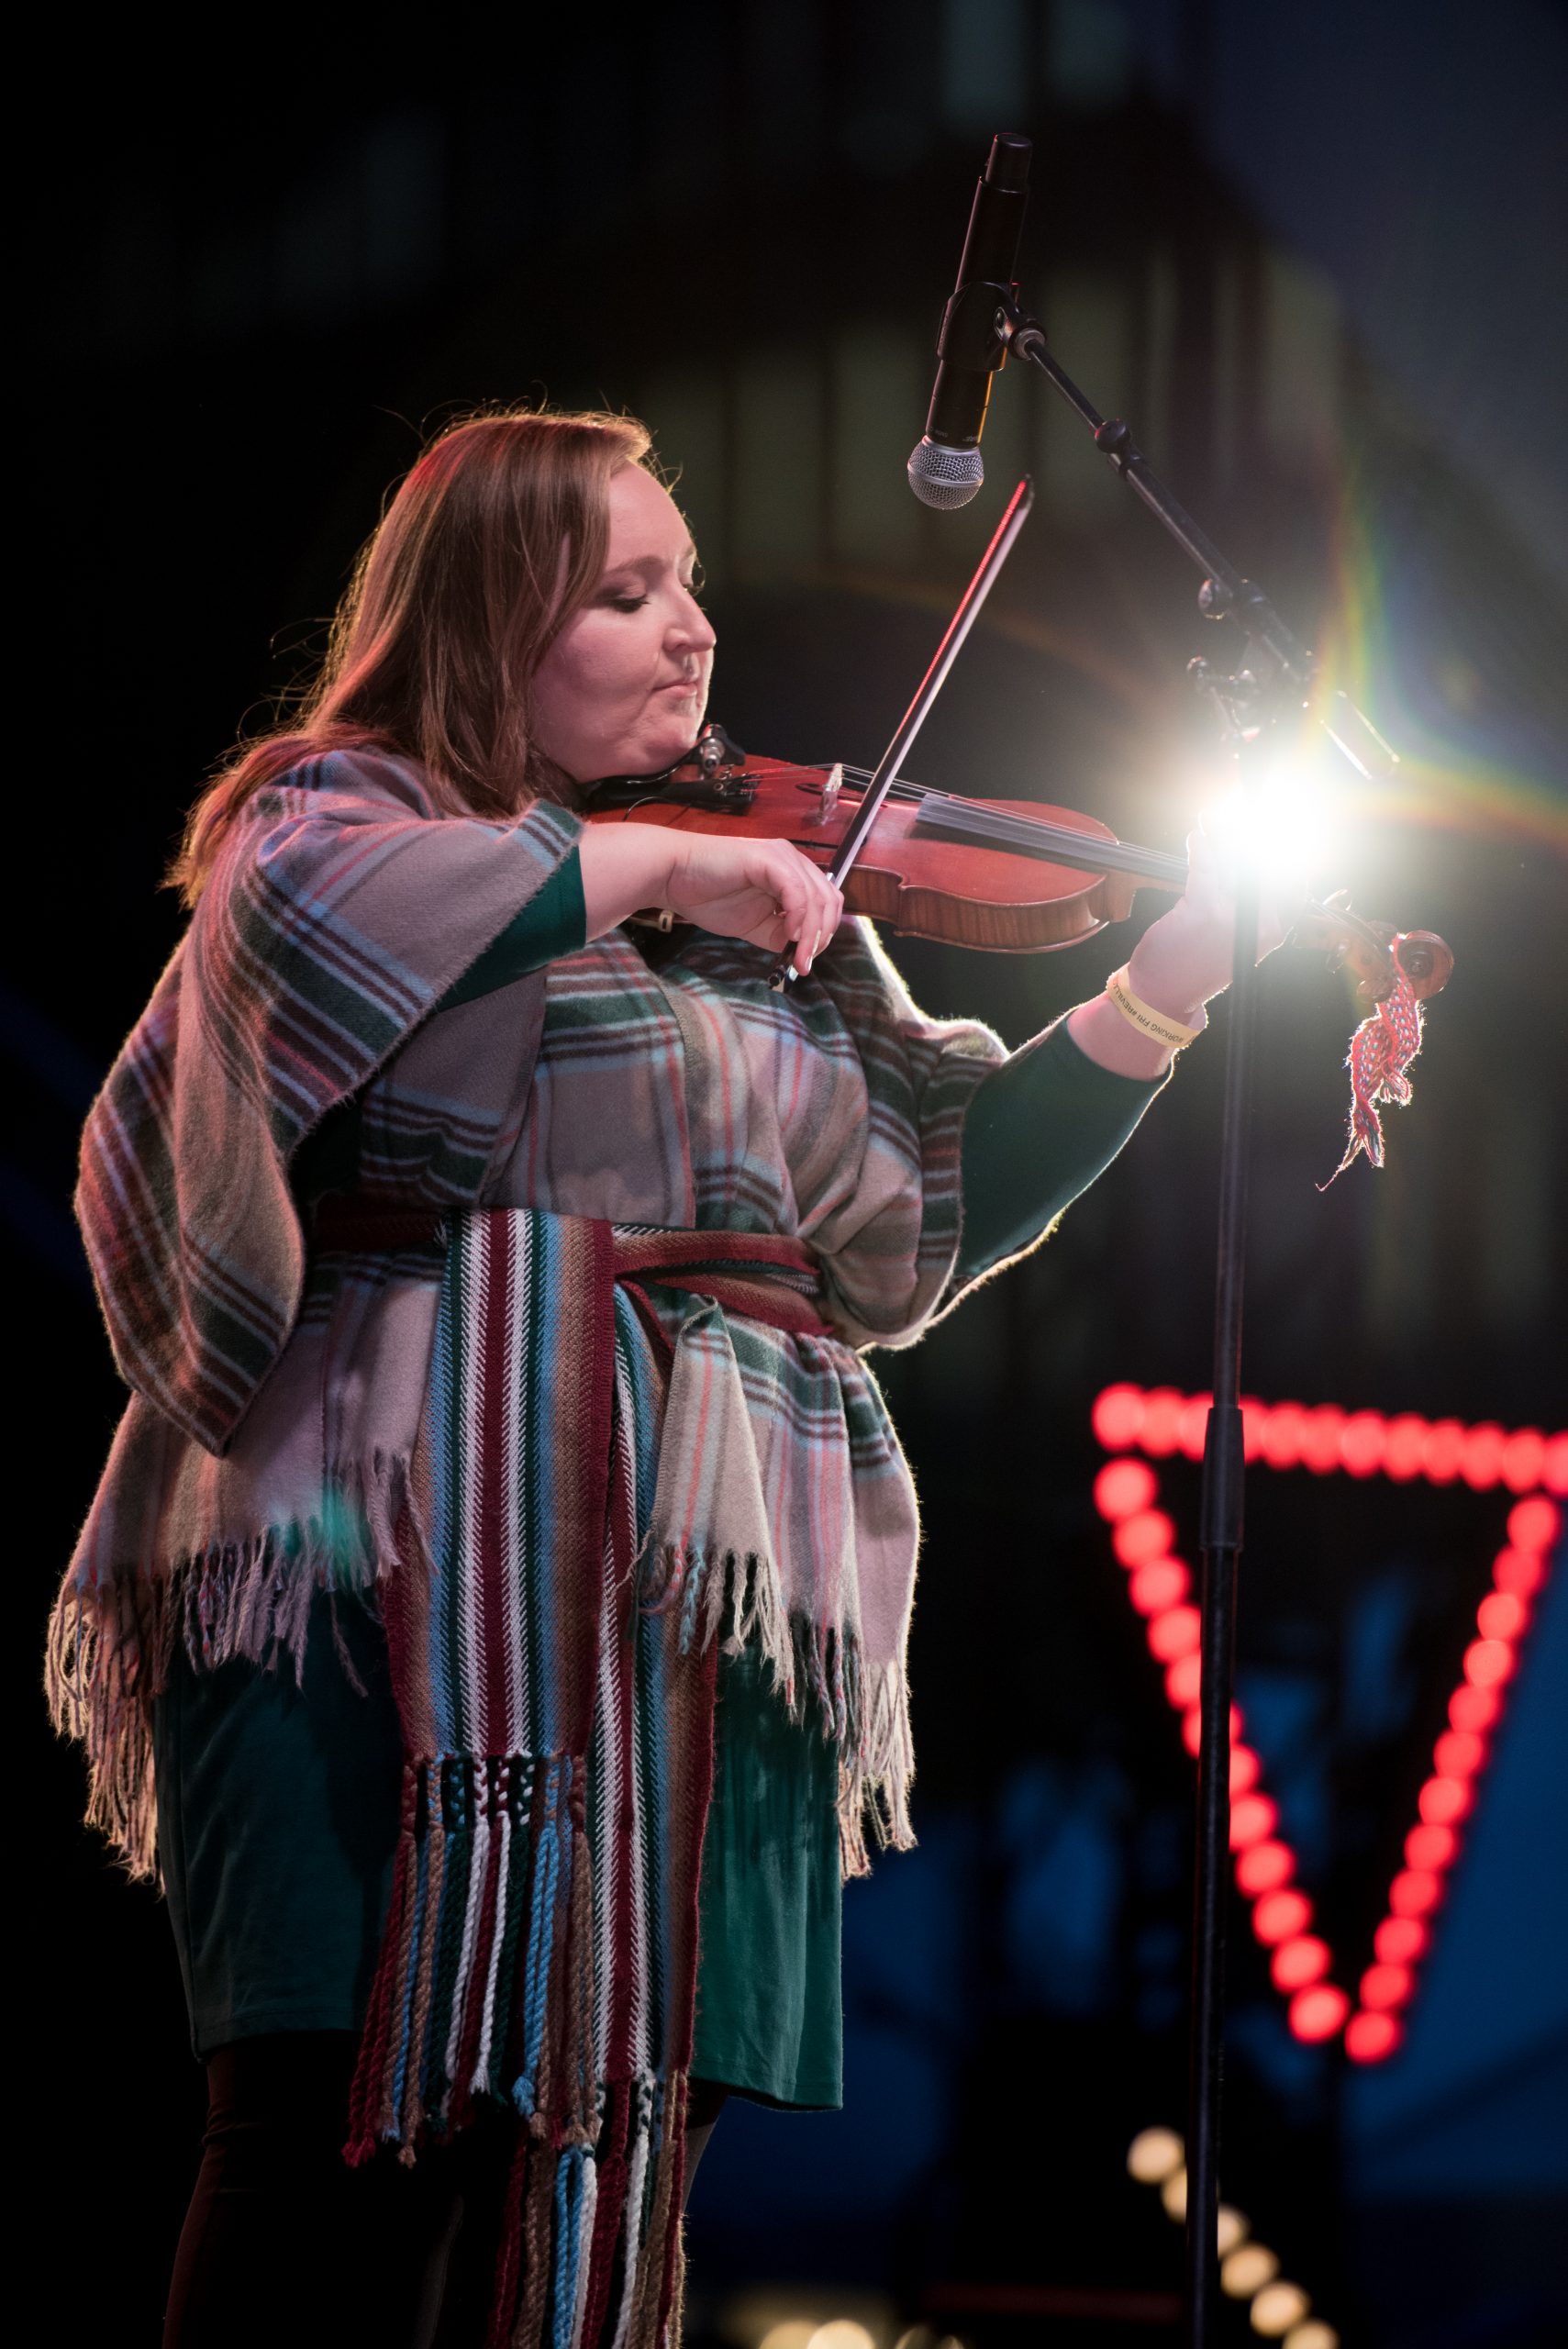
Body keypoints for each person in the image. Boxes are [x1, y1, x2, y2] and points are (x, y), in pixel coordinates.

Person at [48, 407, 1273, 2349]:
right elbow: (301, 956)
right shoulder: (335, 822)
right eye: (628, 589)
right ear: (485, 622)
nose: (696, 631)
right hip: (366, 1562)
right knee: (329, 2140)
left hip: (690, 1602)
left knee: (633, 2132)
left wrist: (1160, 995)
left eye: (688, 580)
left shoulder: (770, 917)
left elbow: (909, 1224)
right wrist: (628, 870)